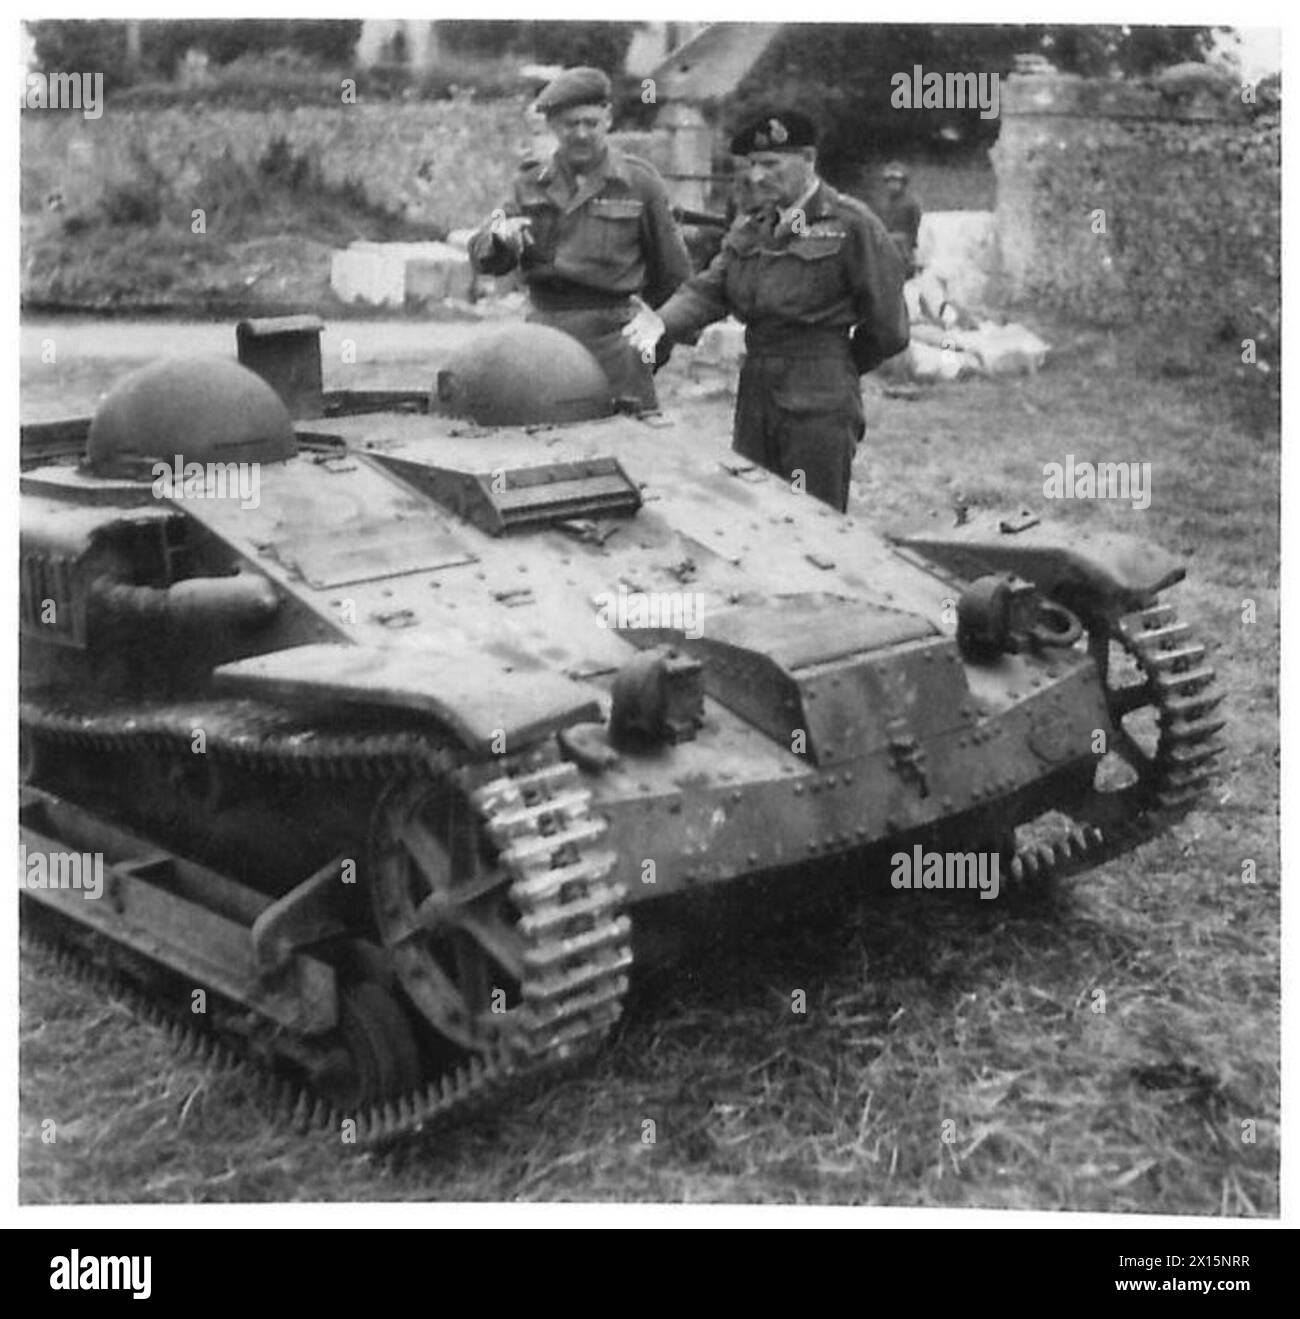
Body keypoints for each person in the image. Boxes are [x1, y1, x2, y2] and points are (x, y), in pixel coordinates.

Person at [622, 110, 909, 512]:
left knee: (814, 520)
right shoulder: (752, 226)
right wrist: (662, 321)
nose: (757, 176)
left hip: (817, 397)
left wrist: (834, 367)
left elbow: (889, 329)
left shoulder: (849, 225)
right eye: (753, 164)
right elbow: (709, 289)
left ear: (809, 159)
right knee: (755, 515)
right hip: (756, 394)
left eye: (771, 164)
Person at [467, 66, 691, 413]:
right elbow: (485, 253)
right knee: (542, 442)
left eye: (591, 122)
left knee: (626, 447)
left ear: (609, 119)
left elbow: (673, 274)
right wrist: (500, 239)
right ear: (553, 126)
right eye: (571, 124)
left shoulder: (638, 182)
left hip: (615, 342)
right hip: (544, 341)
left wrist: (652, 343)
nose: (582, 134)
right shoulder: (529, 184)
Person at [877, 162, 922, 276]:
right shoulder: (882, 204)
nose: (893, 185)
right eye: (890, 181)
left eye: (896, 181)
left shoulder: (911, 204)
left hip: (904, 253)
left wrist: (911, 250)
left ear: (903, 183)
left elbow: (916, 229)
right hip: (885, 251)